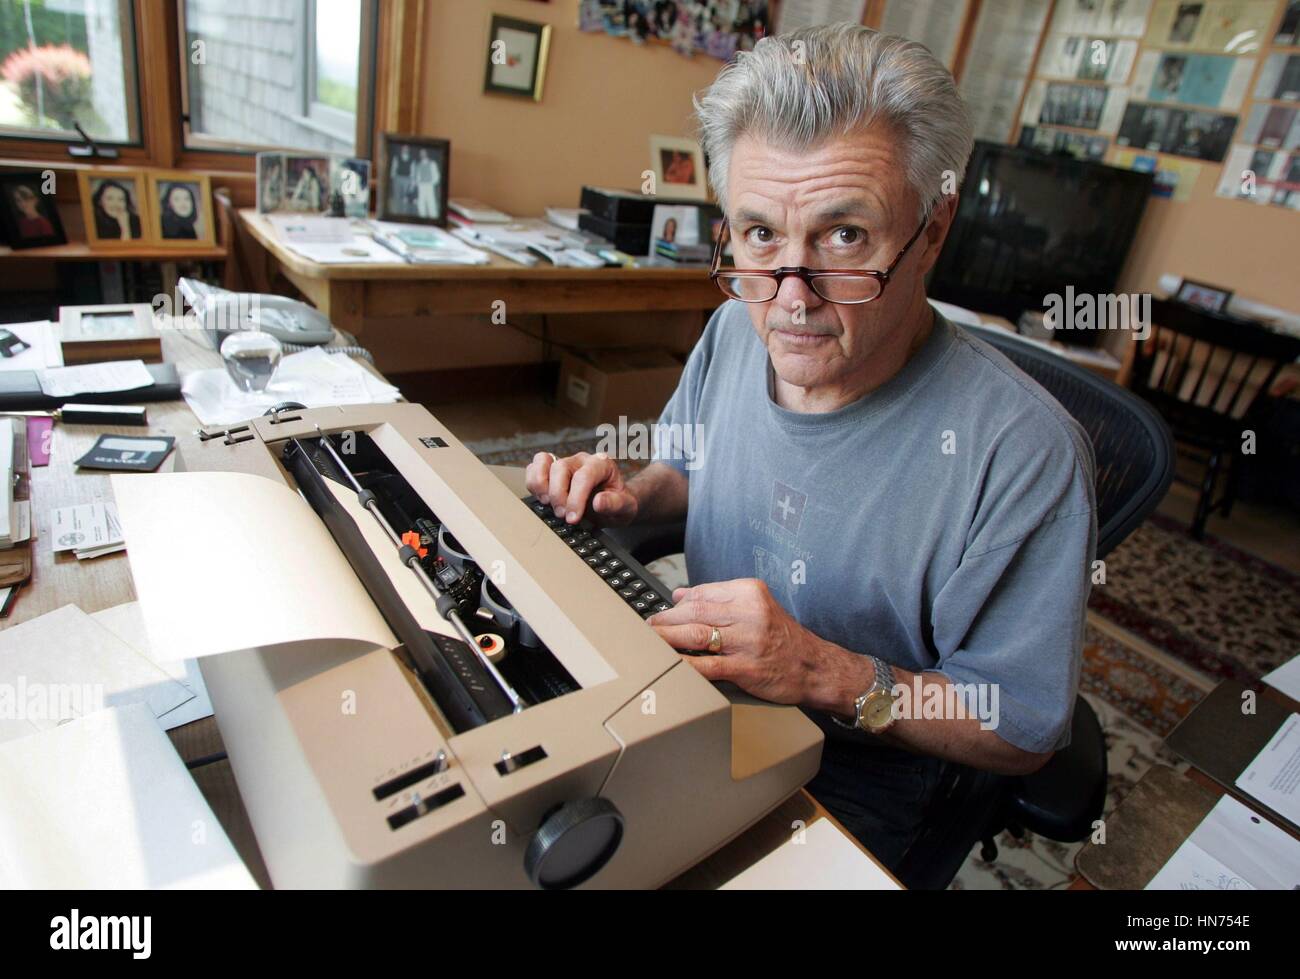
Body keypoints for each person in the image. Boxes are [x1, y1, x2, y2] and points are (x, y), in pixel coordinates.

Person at [525, 24, 1097, 886]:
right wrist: (630, 495)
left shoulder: (1025, 453)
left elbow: (1018, 725)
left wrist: (823, 670)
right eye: (759, 237)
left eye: (843, 238)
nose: (789, 300)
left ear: (932, 229)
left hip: (855, 781)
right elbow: (687, 467)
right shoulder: (731, 329)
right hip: (689, 698)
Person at [415, 147, 440, 220]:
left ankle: (433, 218)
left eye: (424, 153)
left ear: (427, 154)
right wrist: (418, 183)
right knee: (421, 202)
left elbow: (436, 176)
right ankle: (422, 218)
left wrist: (432, 183)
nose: (422, 154)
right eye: (421, 153)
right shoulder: (418, 165)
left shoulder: (432, 163)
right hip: (421, 186)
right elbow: (417, 176)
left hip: (429, 186)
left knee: (431, 201)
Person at [390, 144, 415, 215]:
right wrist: (393, 178)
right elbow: (393, 168)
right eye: (404, 148)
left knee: (405, 198)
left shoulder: (411, 159)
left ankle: (404, 213)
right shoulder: (397, 157)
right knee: (396, 196)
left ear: (408, 150)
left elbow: (413, 171)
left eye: (406, 149)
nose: (405, 150)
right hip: (398, 178)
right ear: (402, 149)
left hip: (407, 179)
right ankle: (395, 213)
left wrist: (412, 182)